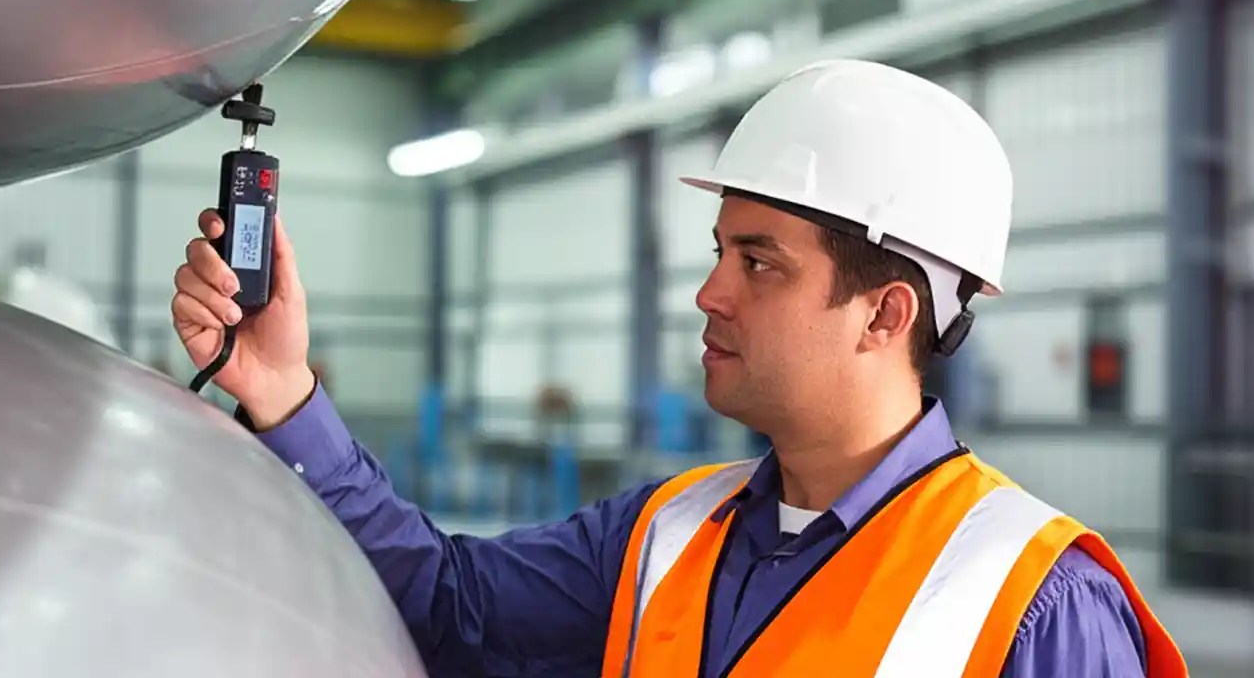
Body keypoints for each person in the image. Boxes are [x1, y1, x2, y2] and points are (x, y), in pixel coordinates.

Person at [170, 60, 1186, 677]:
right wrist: (284, 389)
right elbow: (446, 606)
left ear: (883, 313)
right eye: (717, 252)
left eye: (758, 263)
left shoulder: (1032, 603)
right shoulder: (662, 538)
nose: (711, 294)